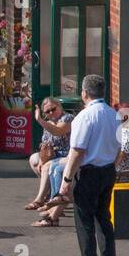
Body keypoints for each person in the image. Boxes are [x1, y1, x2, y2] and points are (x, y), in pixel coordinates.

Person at [54, 74, 122, 256]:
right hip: (108, 170)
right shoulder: (114, 115)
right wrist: (113, 167)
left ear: (84, 93)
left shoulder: (84, 117)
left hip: (89, 172)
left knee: (84, 220)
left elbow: (77, 152)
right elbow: (119, 148)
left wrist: (66, 181)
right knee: (104, 219)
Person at [26, 97, 73, 226]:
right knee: (34, 160)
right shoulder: (48, 122)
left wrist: (40, 120)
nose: (51, 113)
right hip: (53, 153)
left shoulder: (67, 118)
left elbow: (58, 131)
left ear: (60, 107)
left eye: (53, 109)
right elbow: (45, 143)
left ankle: (42, 199)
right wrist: (42, 159)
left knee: (48, 167)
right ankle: (47, 196)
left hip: (66, 153)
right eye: (47, 112)